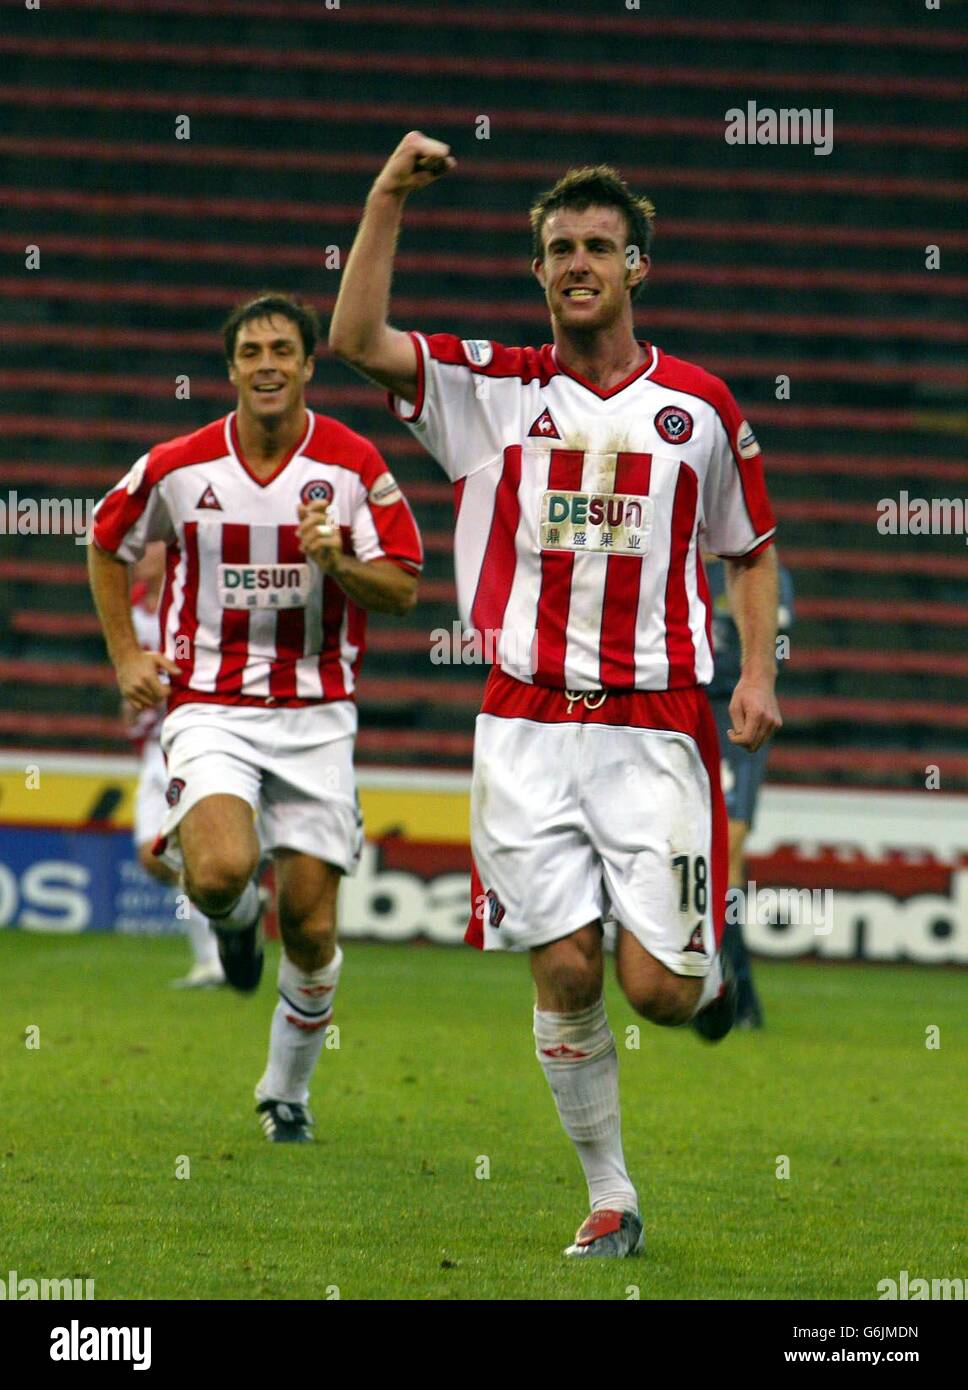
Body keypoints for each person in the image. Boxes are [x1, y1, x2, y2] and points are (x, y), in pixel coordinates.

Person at [329, 133, 782, 1255]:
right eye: (558, 248)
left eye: (599, 246)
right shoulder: (493, 390)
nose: (578, 261)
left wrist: (758, 673)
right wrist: (387, 192)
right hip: (526, 722)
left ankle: (701, 967)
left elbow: (752, 549)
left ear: (637, 267)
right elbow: (353, 339)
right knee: (566, 965)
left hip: (659, 726)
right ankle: (612, 1197)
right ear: (538, 273)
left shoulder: (702, 407)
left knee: (662, 991)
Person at [88, 293, 423, 1143]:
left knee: (310, 927)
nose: (267, 363)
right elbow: (104, 539)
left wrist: (336, 558)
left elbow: (404, 588)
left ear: (310, 363)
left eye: (283, 349)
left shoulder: (351, 465)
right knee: (218, 873)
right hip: (210, 704)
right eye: (251, 351)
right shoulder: (179, 464)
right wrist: (128, 655)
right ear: (231, 367)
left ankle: (285, 1094)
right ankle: (233, 930)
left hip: (317, 713)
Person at [126, 542, 224, 988]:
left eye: (147, 548)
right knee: (152, 856)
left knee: (189, 851)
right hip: (152, 748)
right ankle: (232, 903)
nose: (138, 556)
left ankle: (213, 960)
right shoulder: (131, 609)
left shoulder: (189, 605)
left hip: (188, 743)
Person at [706, 556, 795, 1029]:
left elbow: (772, 644)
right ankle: (733, 992)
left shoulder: (762, 573)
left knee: (730, 842)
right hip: (683, 712)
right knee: (710, 854)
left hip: (737, 716)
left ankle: (730, 987)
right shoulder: (675, 563)